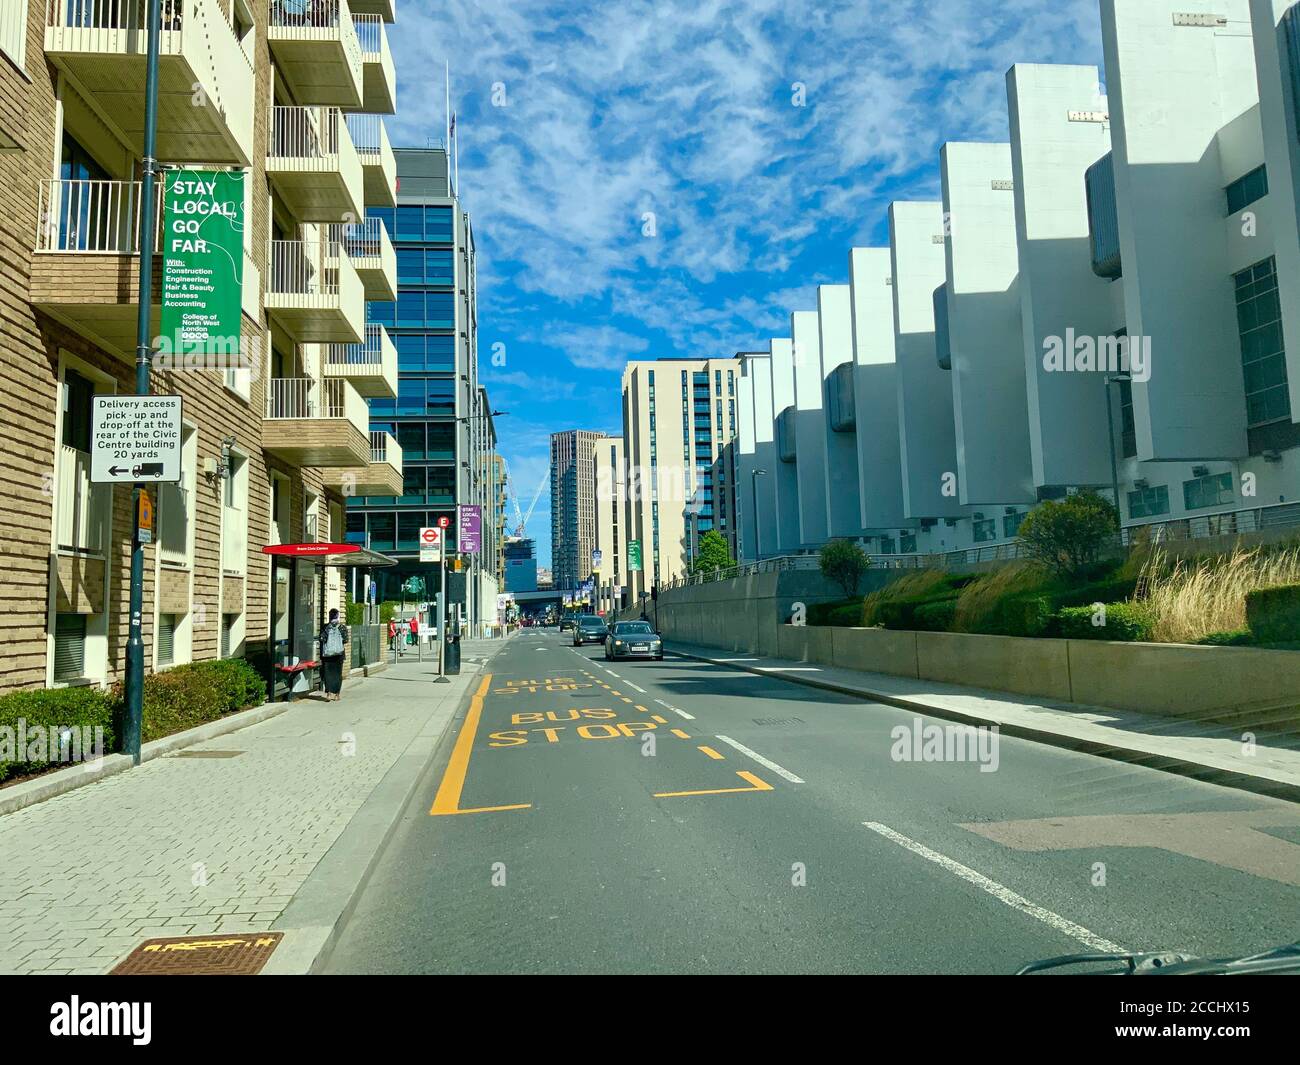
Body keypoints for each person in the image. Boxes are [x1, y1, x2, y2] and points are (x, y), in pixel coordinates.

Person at [318, 609, 349, 701]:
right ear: (338, 616)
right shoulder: (342, 627)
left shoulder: (325, 627)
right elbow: (346, 640)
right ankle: (337, 694)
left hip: (327, 655)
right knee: (337, 674)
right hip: (339, 654)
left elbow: (322, 638)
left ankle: (328, 693)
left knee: (327, 673)